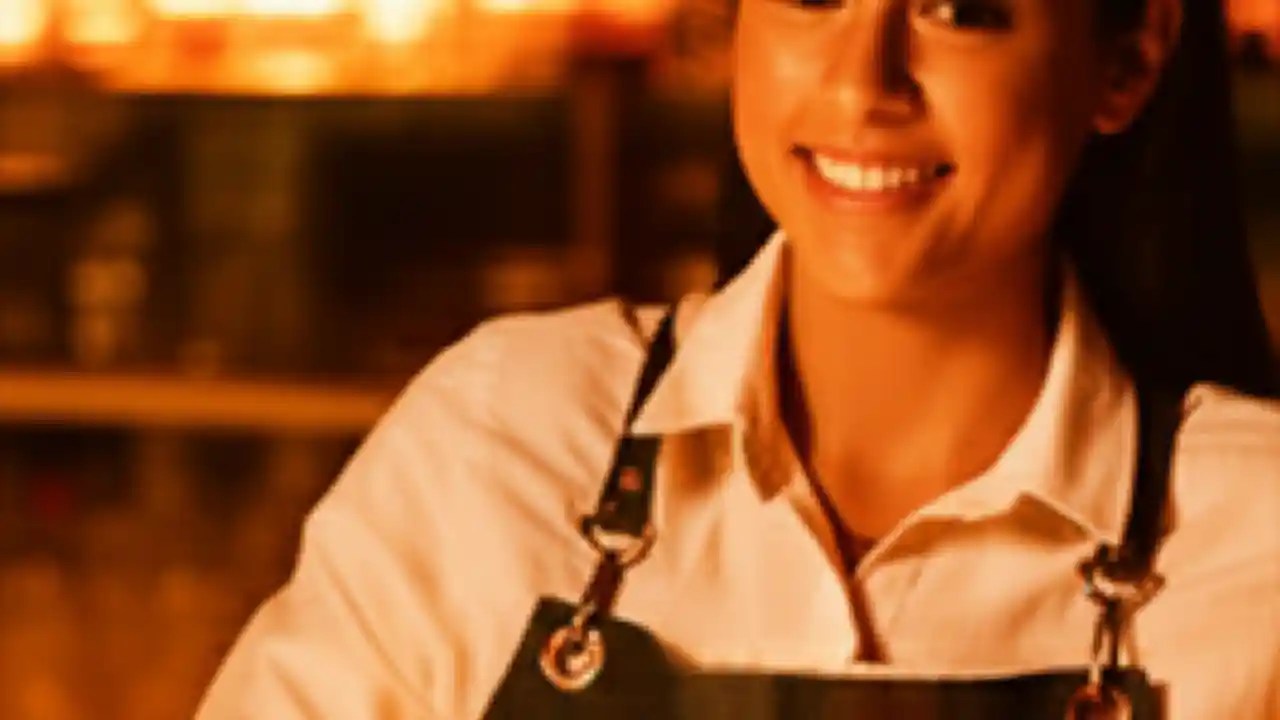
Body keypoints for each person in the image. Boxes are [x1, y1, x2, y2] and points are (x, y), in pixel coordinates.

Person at [198, 0, 1280, 717]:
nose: (865, 81)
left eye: (959, 9)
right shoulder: (504, 443)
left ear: (1128, 56)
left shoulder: (1255, 546)